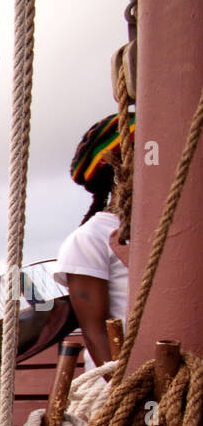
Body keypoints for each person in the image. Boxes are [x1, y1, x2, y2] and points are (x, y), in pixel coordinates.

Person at [54, 114, 134, 371]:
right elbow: (95, 330)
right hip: (123, 388)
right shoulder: (89, 239)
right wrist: (127, 395)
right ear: (117, 170)